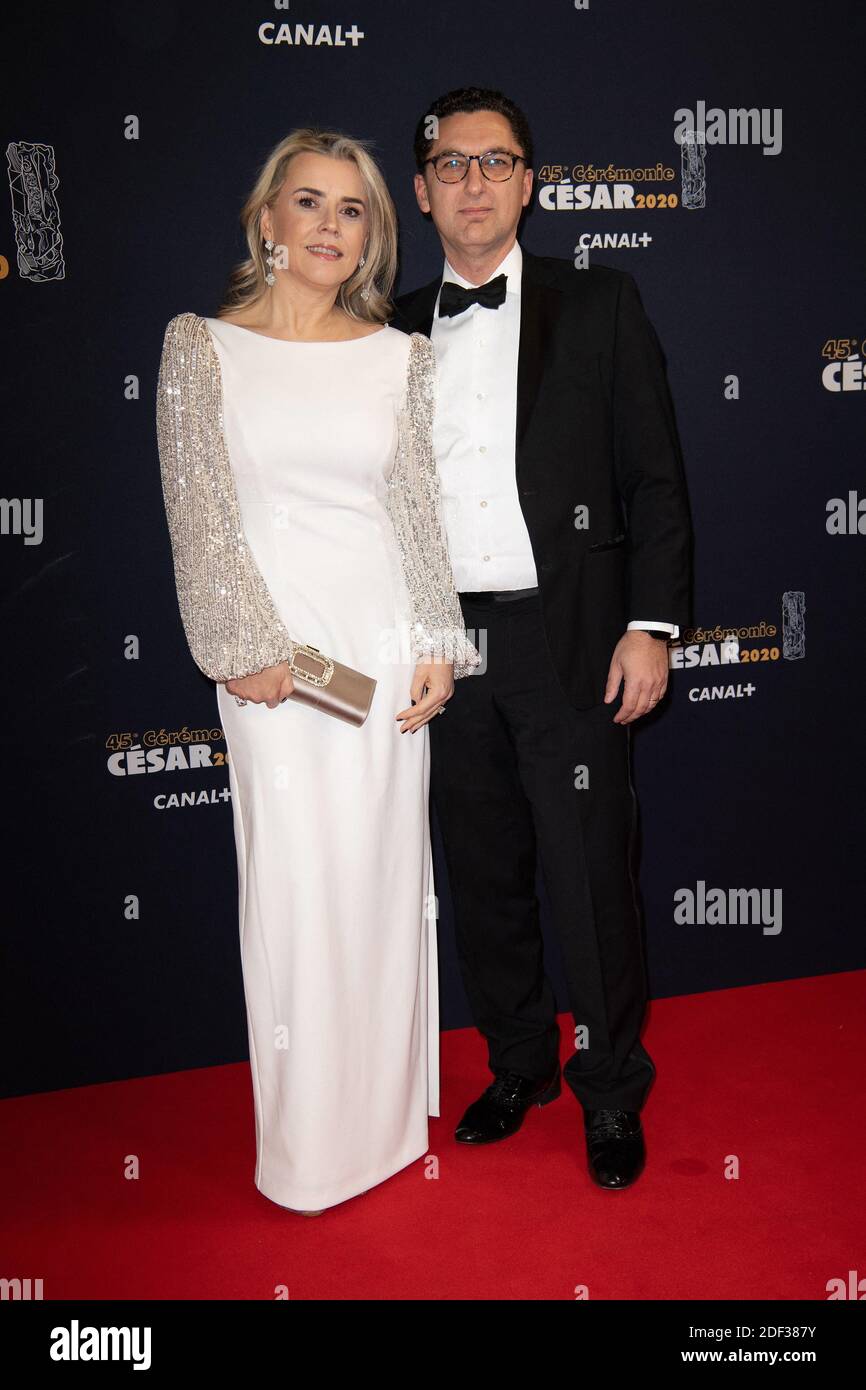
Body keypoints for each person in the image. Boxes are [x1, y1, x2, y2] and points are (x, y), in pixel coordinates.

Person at [155, 128, 480, 1215]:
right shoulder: (202, 345)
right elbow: (197, 515)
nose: (331, 226)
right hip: (280, 658)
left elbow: (412, 512)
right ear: (267, 221)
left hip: (381, 653)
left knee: (383, 885)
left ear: (372, 232)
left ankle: (382, 1126)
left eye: (352, 209)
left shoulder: (400, 355)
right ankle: (306, 1148)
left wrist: (435, 637)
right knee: (295, 890)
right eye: (310, 202)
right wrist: (242, 649)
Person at [390, 87, 693, 1189]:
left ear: (529, 182)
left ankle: (608, 1088)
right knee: (483, 877)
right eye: (450, 164)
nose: (472, 182)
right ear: (419, 191)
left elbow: (653, 480)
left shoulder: (601, 300)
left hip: (568, 642)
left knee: (588, 880)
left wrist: (648, 625)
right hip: (439, 650)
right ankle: (516, 1063)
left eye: (495, 161)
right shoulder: (384, 330)